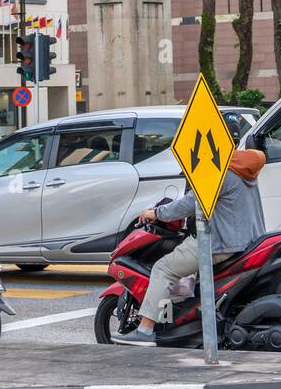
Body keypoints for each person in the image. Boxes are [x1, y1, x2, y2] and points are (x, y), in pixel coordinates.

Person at [113, 147, 266, 347]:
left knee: (163, 268)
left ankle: (145, 330)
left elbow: (190, 203)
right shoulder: (243, 172)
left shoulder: (221, 175)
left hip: (221, 244)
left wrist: (156, 213)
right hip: (248, 241)